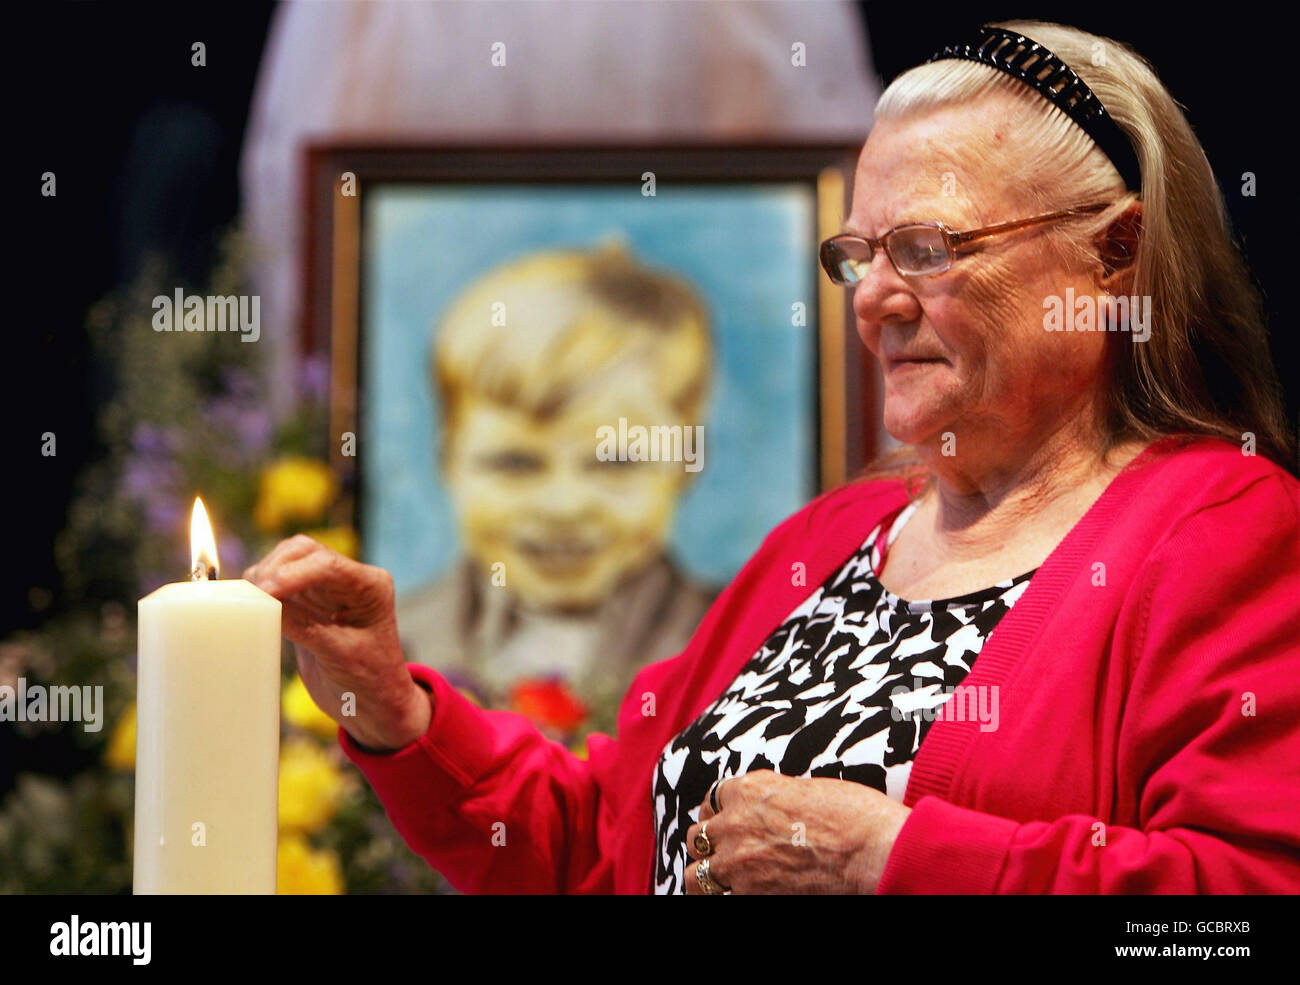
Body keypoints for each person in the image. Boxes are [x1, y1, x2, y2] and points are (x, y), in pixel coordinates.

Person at [245, 20, 1300, 893]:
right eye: (858, 257)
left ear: (1111, 256)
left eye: (927, 250)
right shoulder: (834, 536)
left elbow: (1236, 904)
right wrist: (394, 710)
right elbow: (592, 849)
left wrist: (893, 859)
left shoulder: (1221, 530)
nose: (878, 299)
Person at [395, 241, 719, 728]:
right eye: (514, 463)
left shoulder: (735, 645)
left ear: (686, 465)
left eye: (615, 464)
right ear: (449, 463)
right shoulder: (400, 646)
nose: (563, 506)